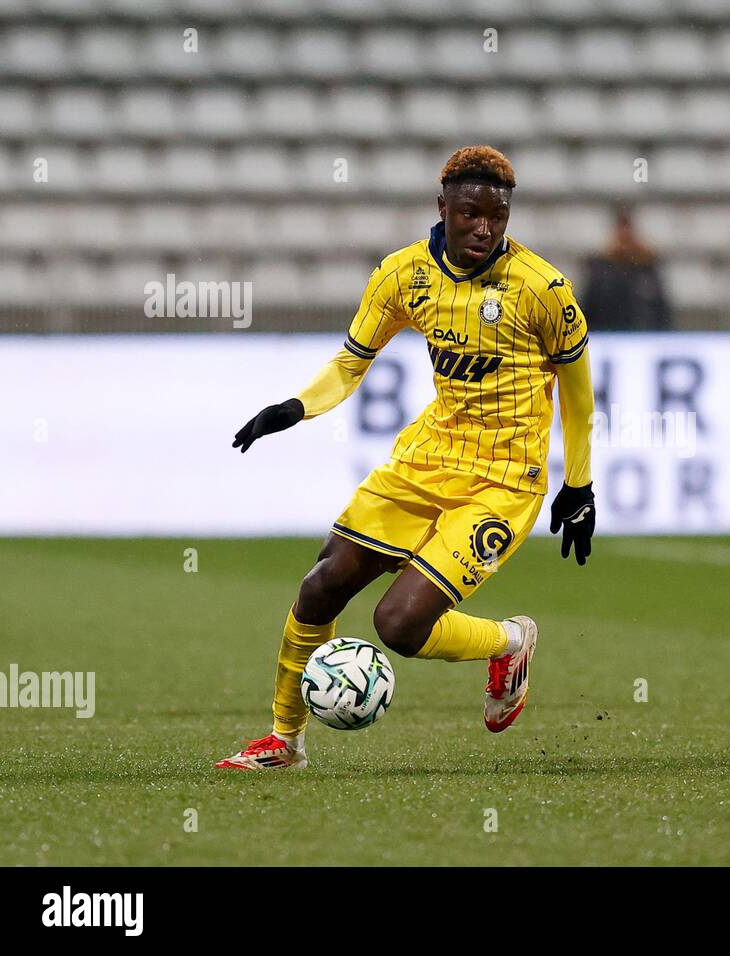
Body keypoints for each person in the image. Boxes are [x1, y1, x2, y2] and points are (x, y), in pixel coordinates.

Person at [216, 146, 596, 770]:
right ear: (442, 206)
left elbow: (579, 393)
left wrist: (578, 486)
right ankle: (284, 740)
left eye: (497, 218)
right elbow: (349, 363)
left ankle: (508, 641)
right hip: (426, 457)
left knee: (397, 625)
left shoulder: (542, 289)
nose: (484, 228)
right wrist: (296, 407)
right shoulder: (403, 275)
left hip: (503, 480)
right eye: (470, 213)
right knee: (320, 588)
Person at [581, 207, 673, 331]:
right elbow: (590, 307)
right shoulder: (600, 268)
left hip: (642, 334)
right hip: (607, 335)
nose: (625, 236)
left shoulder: (647, 267)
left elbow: (661, 308)